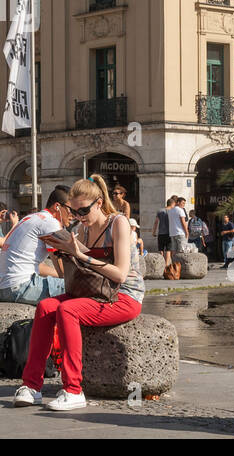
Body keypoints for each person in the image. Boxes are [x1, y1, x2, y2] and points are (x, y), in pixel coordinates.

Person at [12, 174, 145, 411]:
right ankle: (32, 385)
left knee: (67, 310)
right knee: (45, 307)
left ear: (99, 203)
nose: (79, 217)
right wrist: (62, 251)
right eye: (74, 212)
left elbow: (121, 275)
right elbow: (76, 271)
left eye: (83, 211)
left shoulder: (118, 223)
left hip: (123, 296)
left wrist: (81, 255)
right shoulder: (80, 230)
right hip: (93, 291)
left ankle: (73, 390)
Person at [0, 187, 70, 304]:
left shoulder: (30, 218)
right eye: (71, 210)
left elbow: (37, 266)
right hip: (20, 287)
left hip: (2, 288)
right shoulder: (51, 223)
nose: (74, 215)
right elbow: (62, 271)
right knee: (80, 288)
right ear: (57, 207)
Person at [155, 198, 173, 270]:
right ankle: (166, 265)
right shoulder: (172, 211)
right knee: (168, 249)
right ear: (172, 204)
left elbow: (156, 222)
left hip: (161, 233)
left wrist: (154, 231)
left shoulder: (159, 211)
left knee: (161, 249)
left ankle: (161, 263)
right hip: (169, 233)